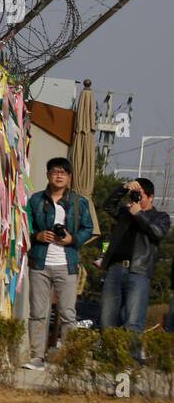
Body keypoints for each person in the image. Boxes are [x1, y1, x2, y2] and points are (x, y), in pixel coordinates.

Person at [24, 157, 93, 370]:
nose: (59, 175)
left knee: (67, 314)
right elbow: (25, 225)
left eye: (64, 172)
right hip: (40, 263)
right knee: (37, 312)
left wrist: (72, 239)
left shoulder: (79, 202)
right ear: (48, 175)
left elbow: (87, 228)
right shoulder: (35, 200)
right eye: (55, 171)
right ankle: (37, 357)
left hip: (67, 264)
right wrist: (37, 236)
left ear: (69, 177)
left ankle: (69, 359)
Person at [100, 177, 170, 361]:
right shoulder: (125, 212)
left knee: (133, 321)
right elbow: (107, 206)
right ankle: (107, 360)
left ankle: (131, 361)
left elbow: (157, 232)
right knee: (107, 318)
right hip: (115, 269)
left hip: (139, 272)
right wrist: (123, 188)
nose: (137, 198)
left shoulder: (160, 217)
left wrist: (139, 214)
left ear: (151, 197)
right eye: (134, 194)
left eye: (141, 195)